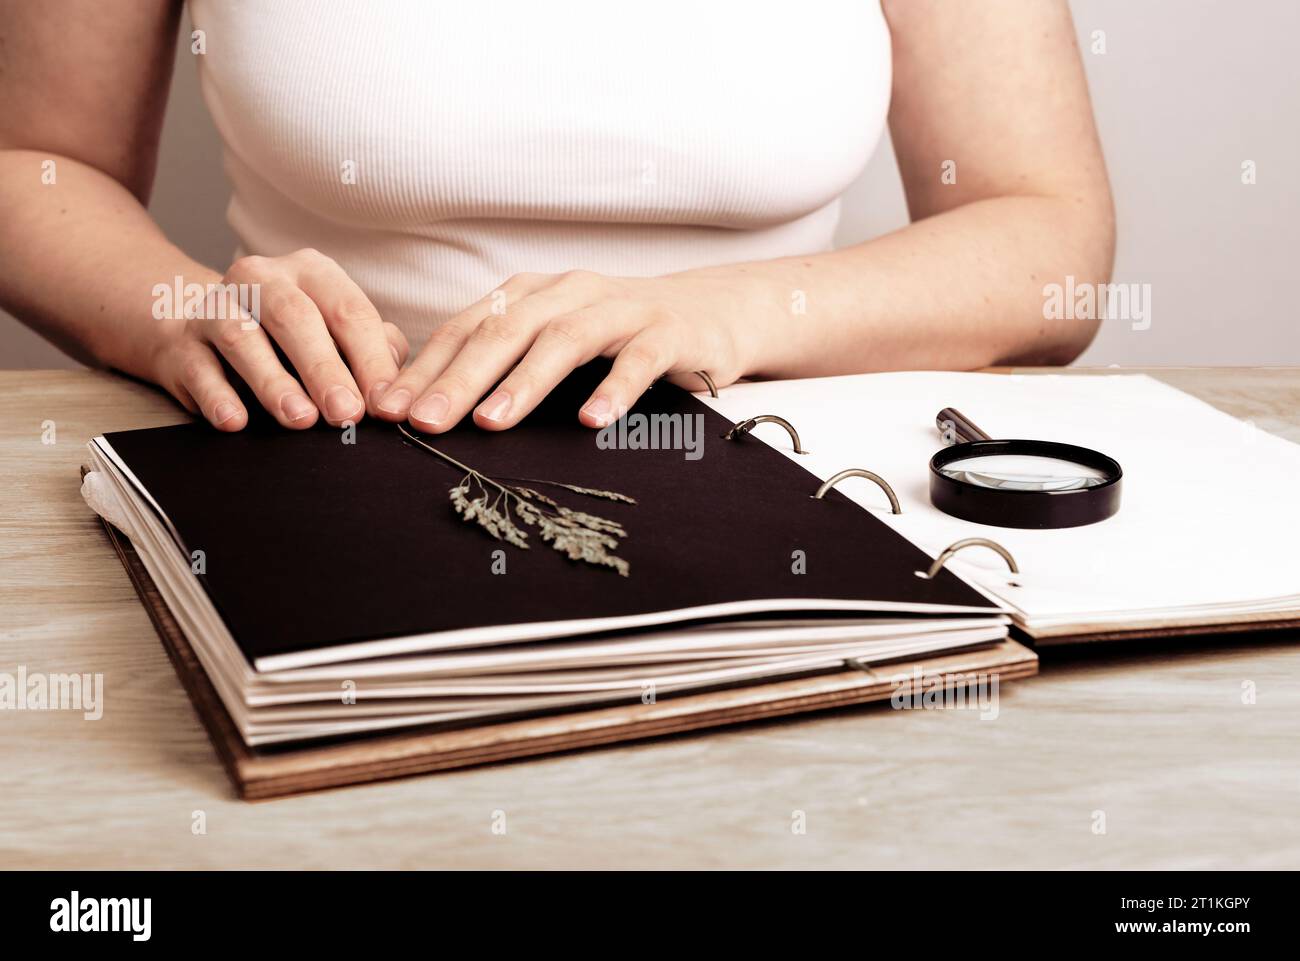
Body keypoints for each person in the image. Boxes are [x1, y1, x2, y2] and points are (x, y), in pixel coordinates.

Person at [0, 0, 1114, 434]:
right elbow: (33, 163)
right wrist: (172, 307)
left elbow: (1047, 232)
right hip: (326, 450)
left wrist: (724, 314)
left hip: (785, 466)